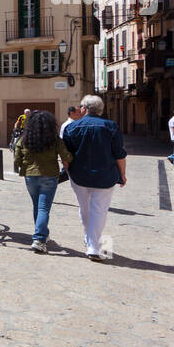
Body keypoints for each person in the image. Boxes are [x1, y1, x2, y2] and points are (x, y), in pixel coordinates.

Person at [61, 95, 127, 262]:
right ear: (101, 110)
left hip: (79, 175)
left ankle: (88, 238)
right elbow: (119, 154)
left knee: (84, 208)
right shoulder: (111, 126)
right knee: (99, 210)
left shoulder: (71, 128)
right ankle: (93, 247)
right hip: (105, 175)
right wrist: (123, 174)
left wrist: (68, 171)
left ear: (83, 109)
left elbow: (66, 156)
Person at [13, 110, 73, 254]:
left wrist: (26, 167)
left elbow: (17, 159)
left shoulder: (24, 139)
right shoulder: (54, 140)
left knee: (37, 206)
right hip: (49, 176)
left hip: (30, 176)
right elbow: (67, 157)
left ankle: (42, 235)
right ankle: (39, 239)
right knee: (43, 208)